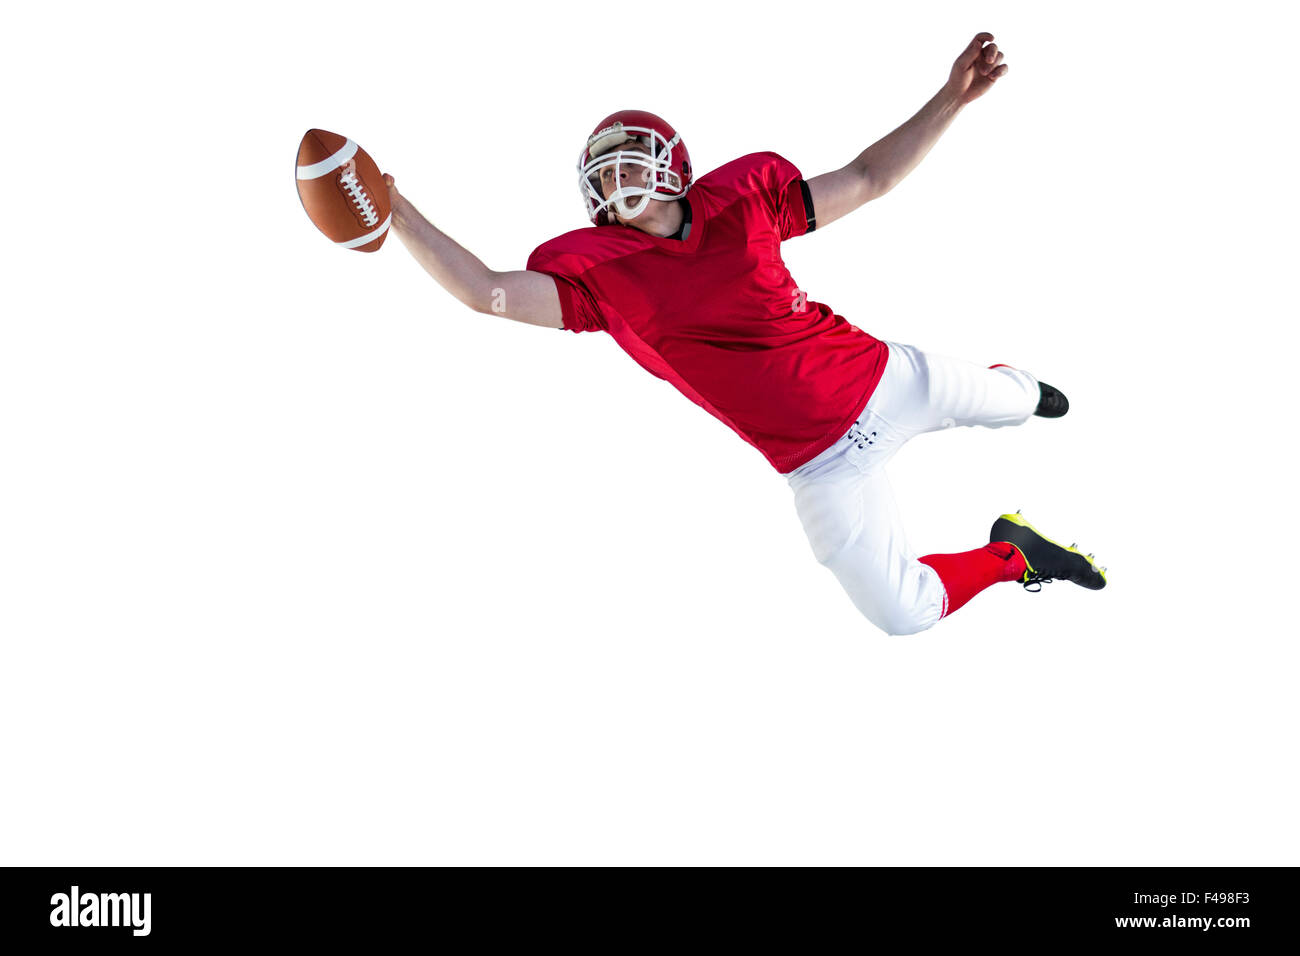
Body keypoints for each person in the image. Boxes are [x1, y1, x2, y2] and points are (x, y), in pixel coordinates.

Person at [382, 32, 1106, 636]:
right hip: (820, 466)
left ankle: (1009, 382)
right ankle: (1014, 556)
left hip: (888, 381)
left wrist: (951, 97)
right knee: (903, 614)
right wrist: (398, 212)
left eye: (631, 155)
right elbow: (487, 293)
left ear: (673, 161)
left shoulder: (743, 198)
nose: (617, 172)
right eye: (606, 167)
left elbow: (867, 177)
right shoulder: (597, 275)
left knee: (1022, 403)